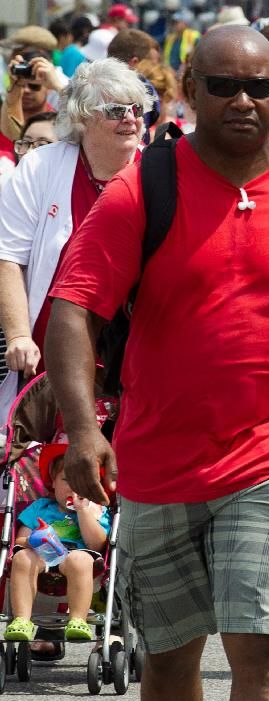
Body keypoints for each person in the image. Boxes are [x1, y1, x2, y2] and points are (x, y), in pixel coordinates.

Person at [42, 27, 269, 701]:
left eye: (260, 86)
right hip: (160, 459)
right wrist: (83, 427)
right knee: (167, 657)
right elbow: (74, 308)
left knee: (259, 654)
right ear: (191, 89)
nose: (244, 102)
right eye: (224, 86)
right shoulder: (145, 186)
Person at [0, 58, 147, 428]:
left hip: (132, 364)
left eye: (137, 109)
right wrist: (18, 334)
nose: (130, 118)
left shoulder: (157, 173)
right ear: (82, 118)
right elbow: (8, 257)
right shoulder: (41, 166)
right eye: (116, 110)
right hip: (45, 364)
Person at [3, 442, 112, 643]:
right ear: (53, 482)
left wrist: (83, 511)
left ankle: (78, 619)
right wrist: (35, 540)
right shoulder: (40, 507)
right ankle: (21, 620)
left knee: (80, 559)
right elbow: (19, 539)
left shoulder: (96, 510)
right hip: (42, 556)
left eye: (81, 482)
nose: (73, 487)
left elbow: (97, 544)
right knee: (21, 557)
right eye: (66, 479)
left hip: (76, 559)